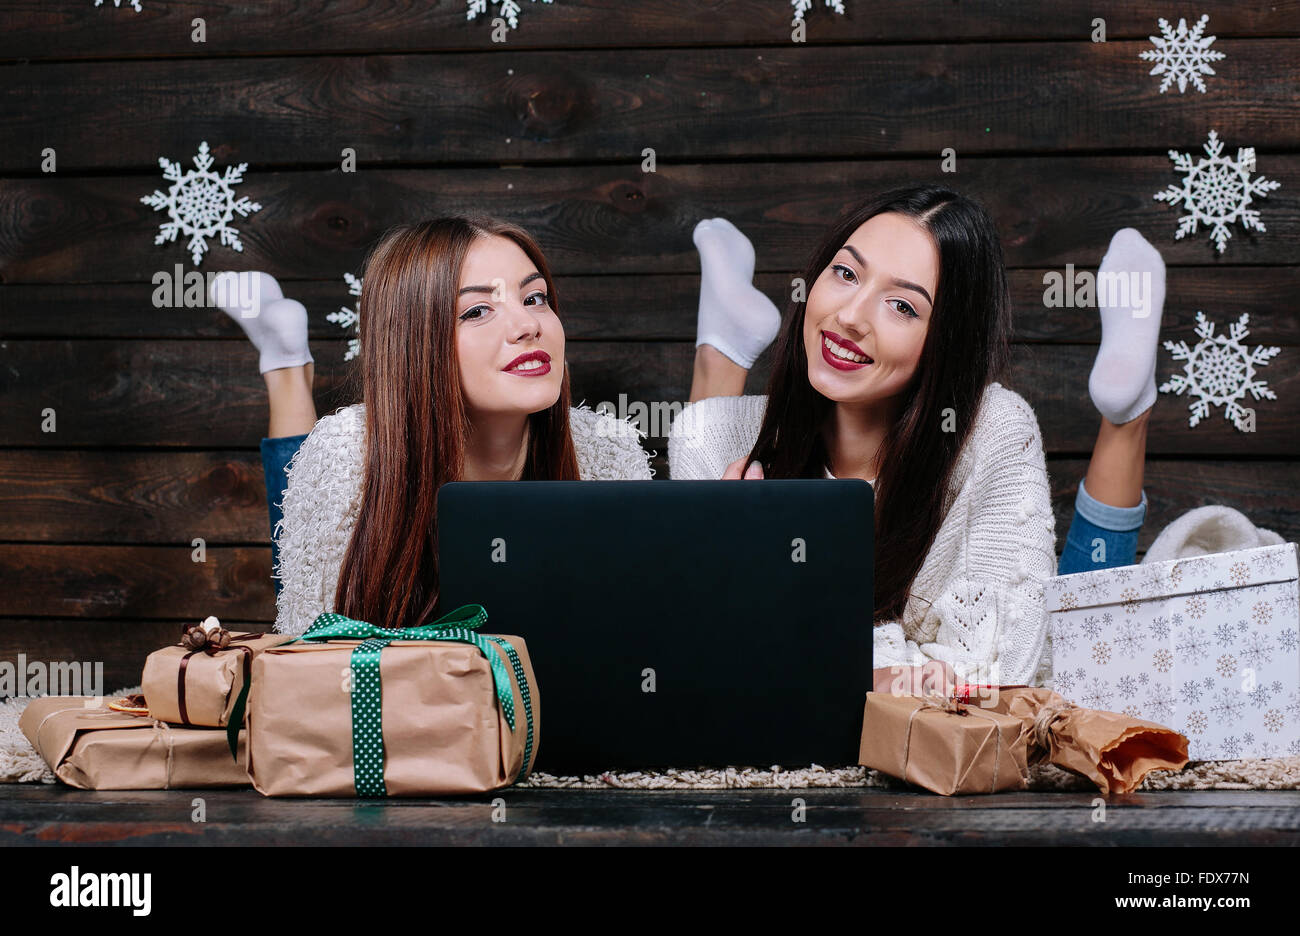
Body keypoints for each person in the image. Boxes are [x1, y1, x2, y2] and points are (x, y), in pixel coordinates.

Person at [670, 185, 1168, 697]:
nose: (850, 317)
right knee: (715, 427)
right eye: (845, 273)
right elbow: (703, 652)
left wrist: (807, 639)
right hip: (734, 429)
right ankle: (721, 351)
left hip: (1029, 648)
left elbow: (1000, 665)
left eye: (902, 306)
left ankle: (1126, 412)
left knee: (1081, 656)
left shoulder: (993, 429)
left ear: (946, 343)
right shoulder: (707, 438)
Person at [213, 216, 653, 635]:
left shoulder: (608, 448)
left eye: (534, 298)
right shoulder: (344, 453)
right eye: (478, 310)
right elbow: (309, 648)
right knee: (302, 480)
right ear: (415, 342)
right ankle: (286, 369)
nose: (527, 326)